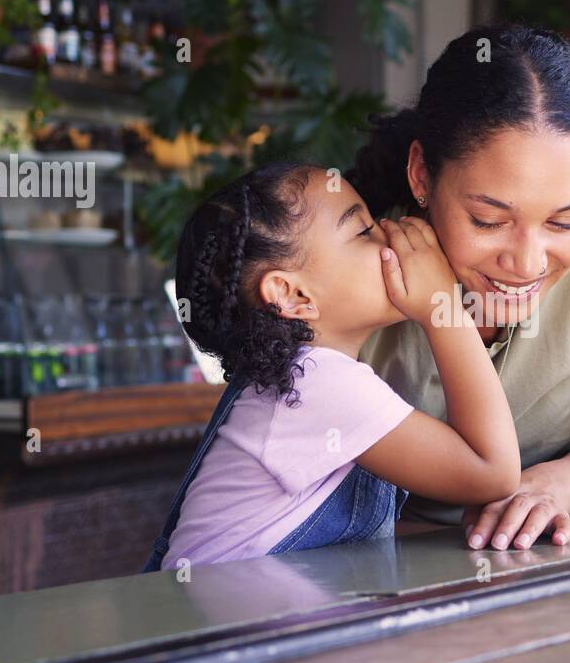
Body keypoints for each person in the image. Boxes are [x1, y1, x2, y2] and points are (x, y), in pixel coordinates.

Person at [350, 23, 570, 551]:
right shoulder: (358, 265)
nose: (527, 262)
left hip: (548, 567)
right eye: (487, 221)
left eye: (564, 222)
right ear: (421, 175)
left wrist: (551, 489)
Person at [141, 162, 520, 571]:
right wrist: (442, 306)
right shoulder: (319, 383)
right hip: (228, 630)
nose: (392, 233)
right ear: (291, 294)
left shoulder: (310, 378)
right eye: (363, 231)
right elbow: (492, 471)